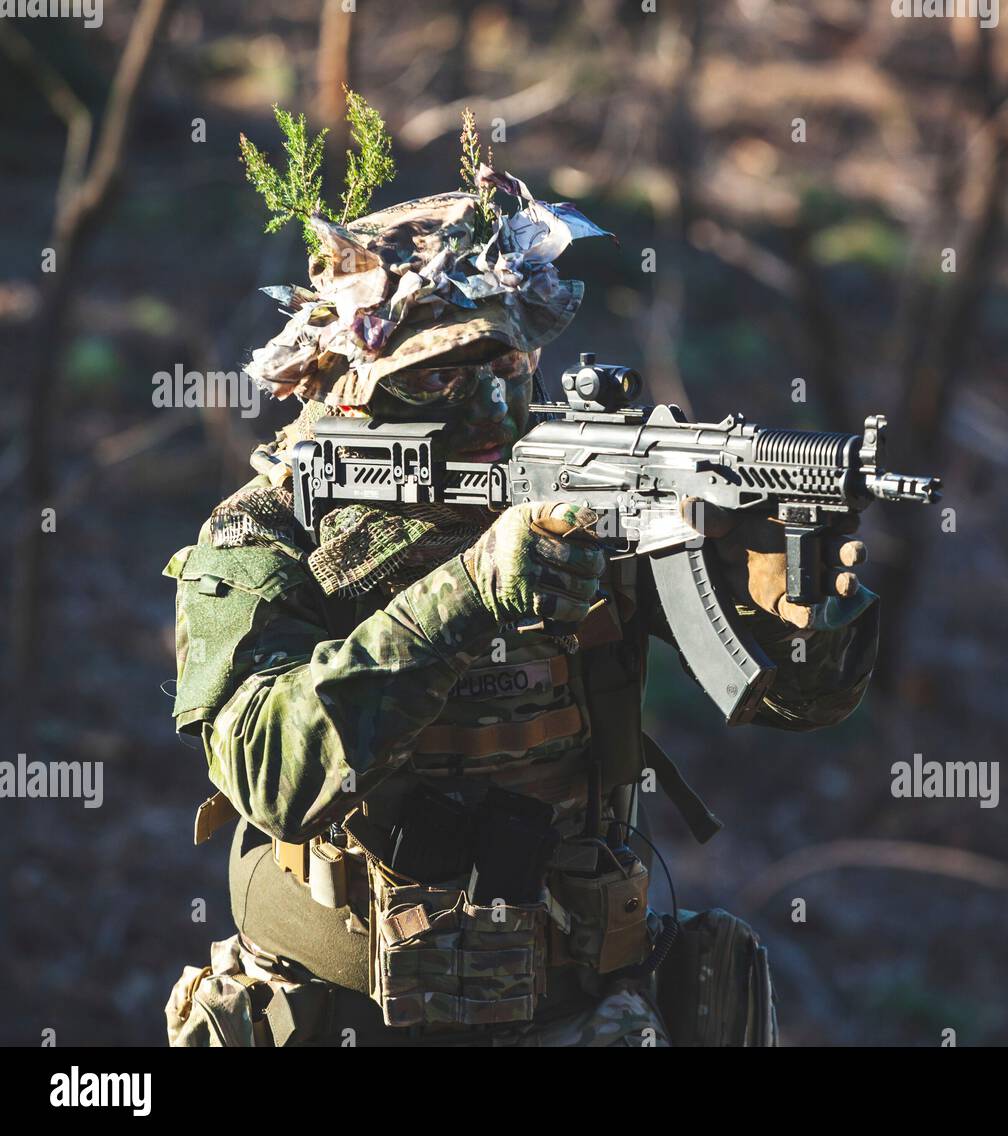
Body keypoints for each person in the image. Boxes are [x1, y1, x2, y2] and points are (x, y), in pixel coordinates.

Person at [162, 171, 879, 1047]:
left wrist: (798, 617)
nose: (491, 409)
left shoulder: (580, 483)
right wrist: (469, 593)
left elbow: (794, 706)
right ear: (356, 387)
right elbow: (273, 775)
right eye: (440, 380)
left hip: (580, 1009)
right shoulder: (270, 529)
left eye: (507, 369)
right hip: (344, 1016)